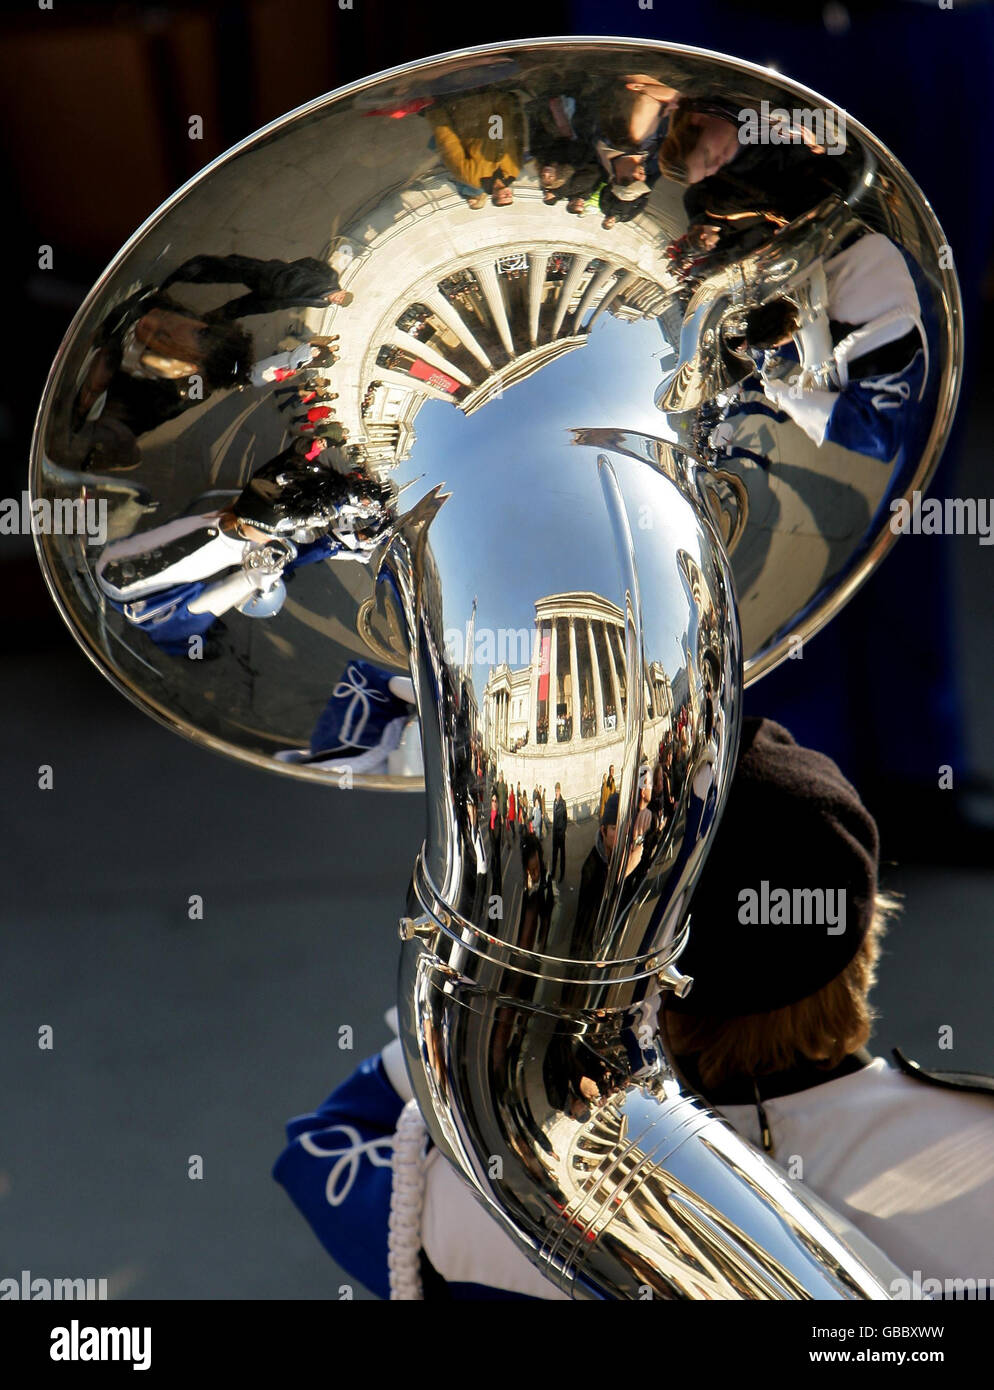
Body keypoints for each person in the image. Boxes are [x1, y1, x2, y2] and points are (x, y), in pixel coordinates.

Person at [273, 717, 994, 1298]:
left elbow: (323, 1143)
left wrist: (519, 1008)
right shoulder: (977, 1145)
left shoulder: (507, 1200)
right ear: (864, 936)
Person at [551, 782, 568, 883]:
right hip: (554, 833)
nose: (556, 792)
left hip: (560, 834)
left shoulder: (563, 803)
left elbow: (565, 819)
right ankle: (553, 872)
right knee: (554, 854)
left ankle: (562, 874)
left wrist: (563, 831)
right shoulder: (554, 802)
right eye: (555, 790)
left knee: (562, 855)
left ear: (560, 790)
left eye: (557, 790)